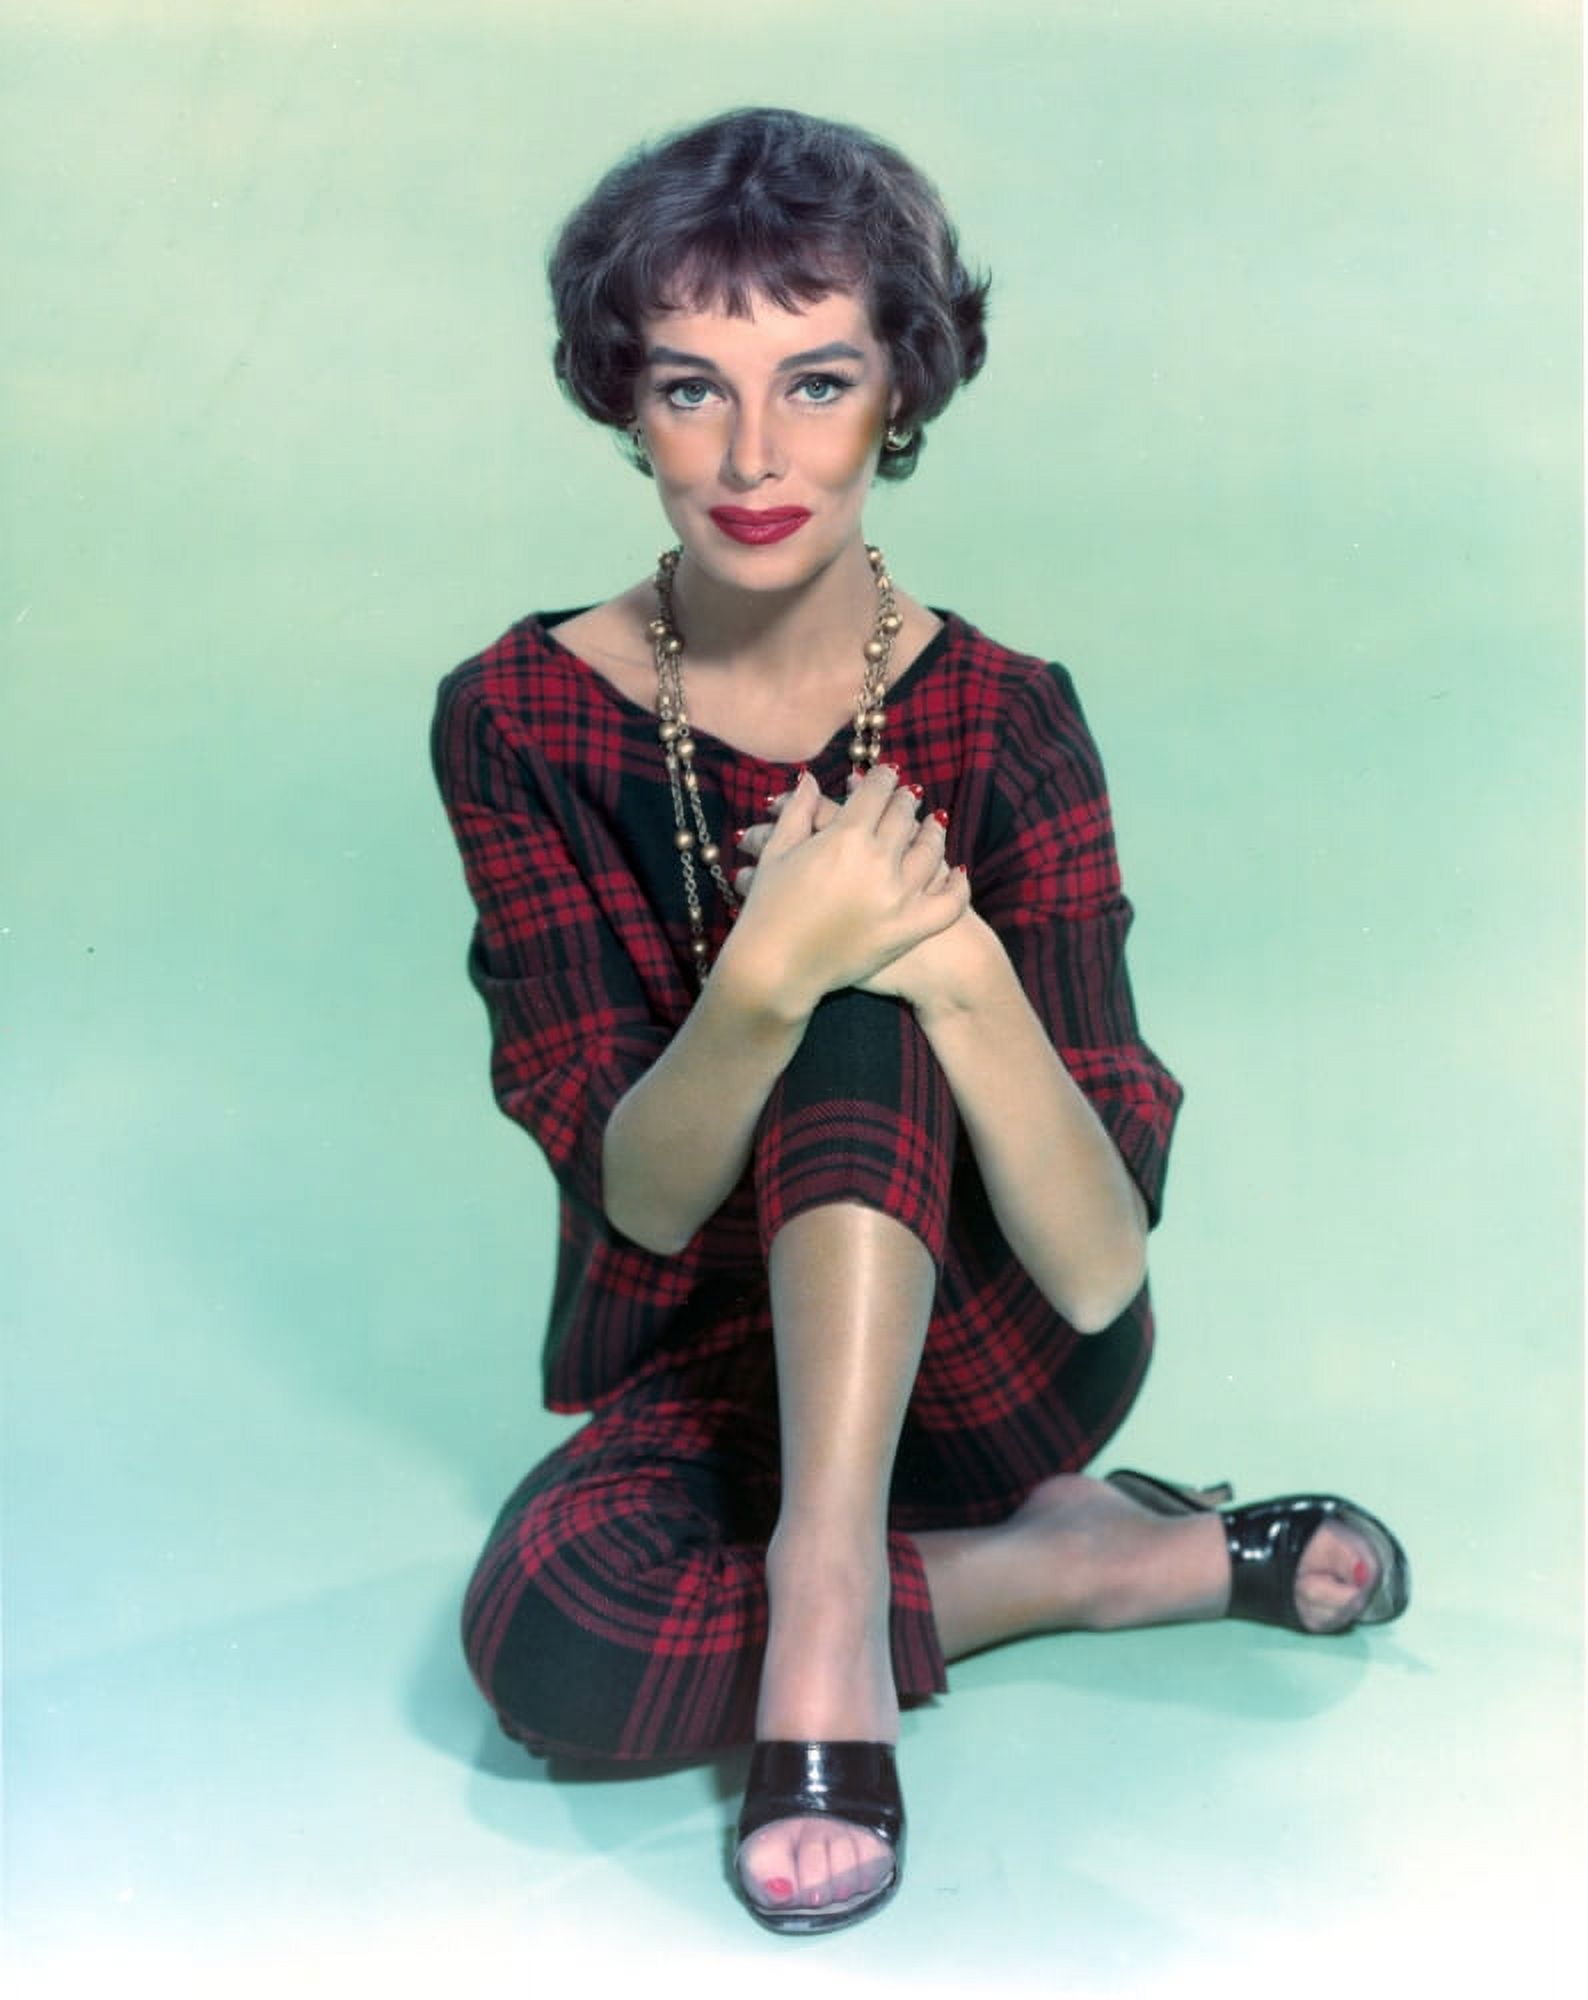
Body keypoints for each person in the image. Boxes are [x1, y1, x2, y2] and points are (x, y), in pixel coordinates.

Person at [431, 106, 1409, 1936]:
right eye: (692, 389)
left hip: (992, 1346)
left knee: (868, 1016)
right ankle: (1085, 1570)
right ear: (626, 405)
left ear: (899, 396)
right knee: (555, 1647)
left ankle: (827, 1614)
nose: (753, 455)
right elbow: (644, 1200)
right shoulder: (518, 717)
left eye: (816, 383)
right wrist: (763, 970)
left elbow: (1099, 1268)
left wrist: (944, 959)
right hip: (722, 1364)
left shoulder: (1010, 717)